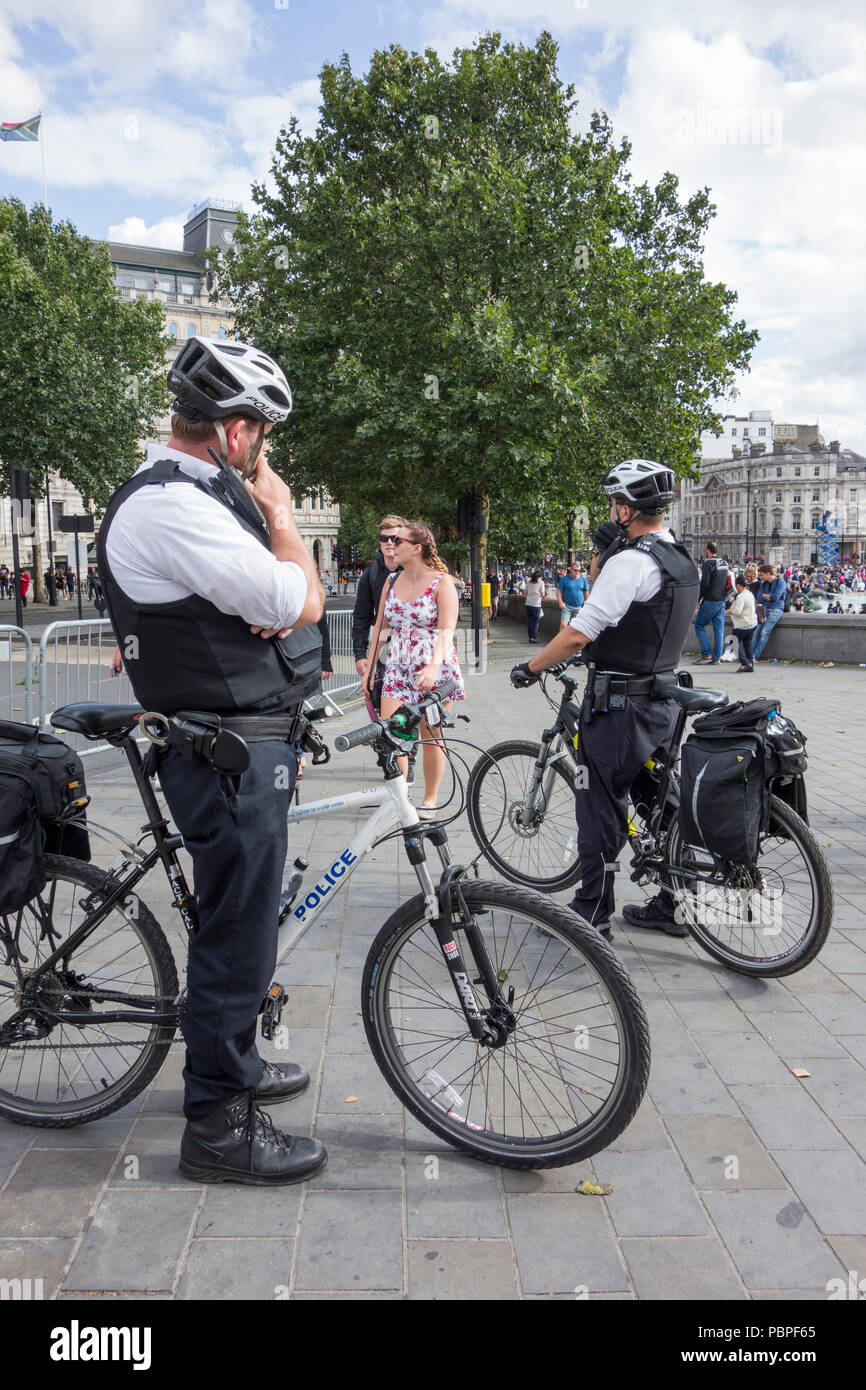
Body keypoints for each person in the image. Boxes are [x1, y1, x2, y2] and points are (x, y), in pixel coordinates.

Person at [97, 334, 327, 1187]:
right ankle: (219, 1130)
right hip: (221, 755)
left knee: (243, 922)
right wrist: (285, 526)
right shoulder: (177, 505)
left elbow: (284, 610)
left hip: (241, 745)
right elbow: (293, 600)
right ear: (234, 433)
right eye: (263, 432)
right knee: (235, 936)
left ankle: (237, 1064)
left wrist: (283, 594)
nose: (265, 453)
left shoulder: (192, 497)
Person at [510, 459, 699, 939]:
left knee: (599, 807)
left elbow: (578, 633)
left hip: (619, 707)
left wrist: (531, 666)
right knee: (660, 800)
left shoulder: (631, 562)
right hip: (663, 698)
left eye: (615, 503)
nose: (611, 511)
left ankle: (591, 912)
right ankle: (677, 901)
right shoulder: (679, 555)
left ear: (625, 508)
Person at [371, 520, 465, 819]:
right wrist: (369, 667)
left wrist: (433, 668)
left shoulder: (442, 582)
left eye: (398, 541)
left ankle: (430, 798)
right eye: (389, 540)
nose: (391, 545)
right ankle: (401, 798)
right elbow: (381, 628)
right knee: (393, 734)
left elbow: (447, 630)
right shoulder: (390, 581)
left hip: (434, 667)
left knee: (431, 737)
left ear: (417, 548)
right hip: (397, 665)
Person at [352, 515, 406, 709]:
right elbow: (361, 617)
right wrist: (360, 654)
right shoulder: (371, 575)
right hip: (384, 646)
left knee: (416, 713)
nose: (389, 543)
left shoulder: (414, 570)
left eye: (395, 538)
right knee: (386, 709)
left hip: (414, 647)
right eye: (384, 538)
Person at [693, 540, 730, 664]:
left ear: (707, 550)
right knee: (719, 630)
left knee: (699, 626)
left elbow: (704, 584)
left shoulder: (708, 563)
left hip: (710, 600)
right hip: (721, 601)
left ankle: (706, 653)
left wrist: (698, 599)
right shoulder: (725, 562)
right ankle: (717, 657)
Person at [752, 563, 787, 660]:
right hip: (764, 609)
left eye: (762, 575)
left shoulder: (781, 582)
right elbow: (759, 598)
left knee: (764, 632)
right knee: (756, 632)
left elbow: (775, 597)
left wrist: (767, 596)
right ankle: (749, 655)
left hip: (776, 609)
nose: (760, 577)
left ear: (768, 574)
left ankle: (755, 656)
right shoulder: (764, 584)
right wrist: (769, 597)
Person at [727, 574, 758, 672]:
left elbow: (737, 611)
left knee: (732, 642)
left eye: (736, 585)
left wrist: (729, 611)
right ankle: (751, 666)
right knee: (747, 645)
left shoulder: (740, 597)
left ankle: (745, 663)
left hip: (743, 625)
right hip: (752, 623)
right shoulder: (749, 593)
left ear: (739, 585)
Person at [557, 561, 589, 629]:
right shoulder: (564, 579)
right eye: (575, 570)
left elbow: (586, 593)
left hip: (579, 607)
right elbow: (559, 591)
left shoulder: (583, 579)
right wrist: (560, 602)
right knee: (563, 625)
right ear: (571, 569)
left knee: (575, 628)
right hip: (567, 606)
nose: (577, 572)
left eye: (579, 570)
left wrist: (588, 604)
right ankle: (561, 639)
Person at [524, 570, 546, 642]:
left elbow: (525, 592)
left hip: (528, 603)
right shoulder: (541, 582)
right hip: (536, 604)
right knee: (535, 622)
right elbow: (543, 593)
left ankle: (530, 637)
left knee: (530, 622)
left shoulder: (529, 582)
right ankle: (533, 638)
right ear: (539, 577)